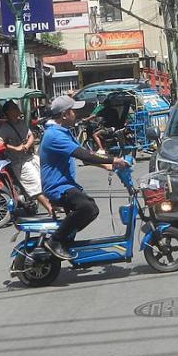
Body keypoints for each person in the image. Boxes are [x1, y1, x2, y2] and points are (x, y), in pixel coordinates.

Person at [39, 94, 128, 258]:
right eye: (73, 111)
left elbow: (85, 154)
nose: (76, 114)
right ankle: (55, 240)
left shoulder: (62, 132)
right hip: (57, 187)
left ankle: (65, 238)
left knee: (92, 210)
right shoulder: (55, 136)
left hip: (66, 185)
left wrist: (108, 166)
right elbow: (83, 155)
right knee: (87, 208)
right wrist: (113, 159)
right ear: (65, 114)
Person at [0, 101, 52, 215]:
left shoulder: (21, 123)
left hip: (31, 157)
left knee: (46, 179)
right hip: (19, 162)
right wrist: (15, 148)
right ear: (8, 112)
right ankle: (50, 209)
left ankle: (54, 205)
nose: (17, 110)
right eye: (14, 108)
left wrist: (26, 145)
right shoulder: (5, 128)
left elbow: (30, 135)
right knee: (34, 185)